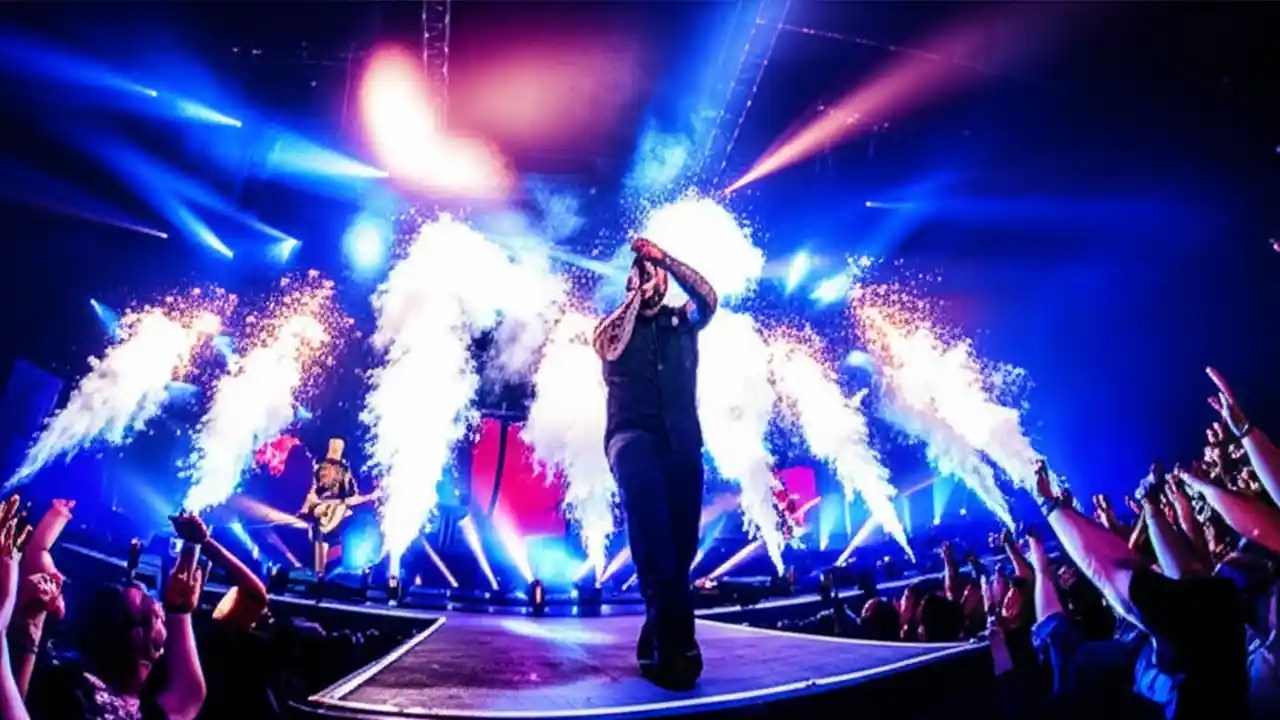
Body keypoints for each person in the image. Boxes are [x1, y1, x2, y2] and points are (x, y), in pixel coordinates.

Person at [593, 236, 717, 690]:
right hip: (632, 438)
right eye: (643, 274)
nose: (652, 280)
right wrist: (635, 298)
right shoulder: (614, 326)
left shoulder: (682, 323)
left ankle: (656, 642)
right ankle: (679, 651)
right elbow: (609, 346)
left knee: (681, 550)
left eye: (656, 275)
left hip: (682, 441)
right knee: (656, 544)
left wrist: (667, 260)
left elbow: (708, 298)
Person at [297, 438, 360, 575]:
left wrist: (343, 504)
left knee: (332, 535)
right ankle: (319, 569)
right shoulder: (319, 470)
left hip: (338, 510)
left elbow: (352, 495)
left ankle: (326, 568)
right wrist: (311, 505)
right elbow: (313, 490)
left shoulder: (345, 474)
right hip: (321, 507)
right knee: (319, 532)